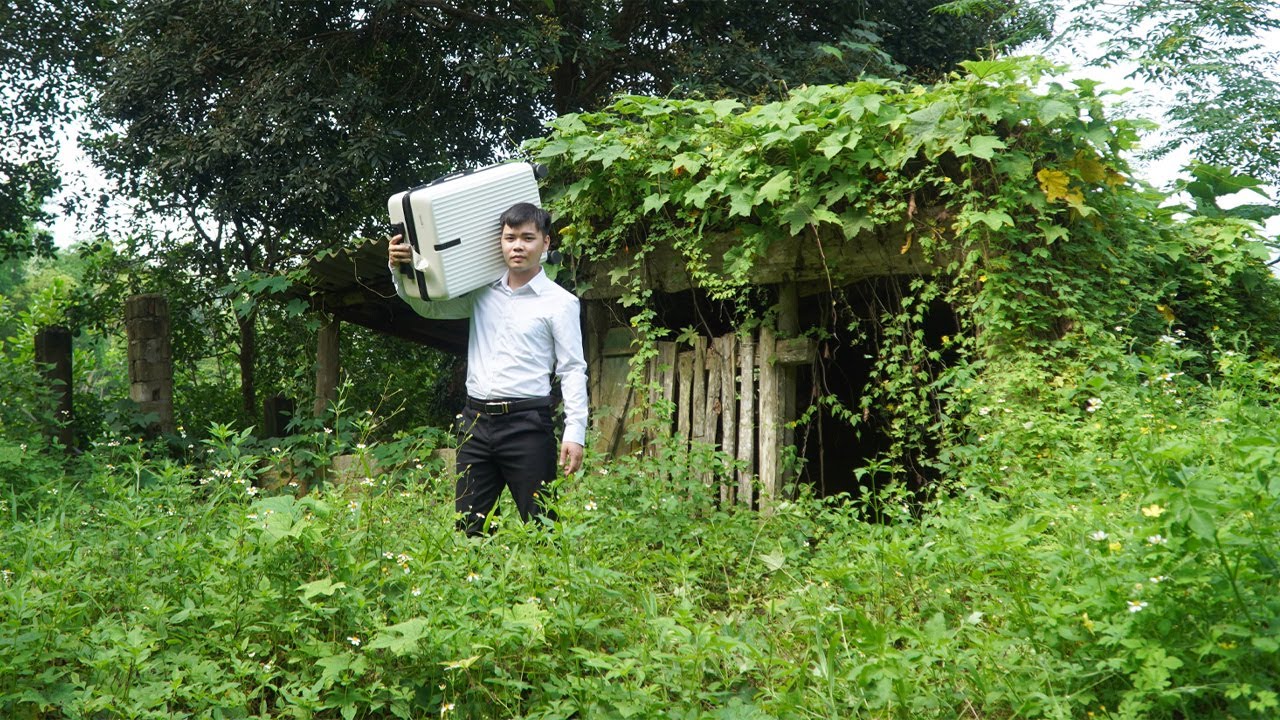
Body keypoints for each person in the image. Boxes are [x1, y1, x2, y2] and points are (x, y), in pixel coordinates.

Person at [388, 202, 587, 535]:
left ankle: (548, 586)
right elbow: (428, 307)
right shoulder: (480, 292)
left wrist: (575, 432)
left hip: (527, 425)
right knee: (469, 528)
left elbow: (572, 369)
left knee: (542, 526)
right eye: (510, 238)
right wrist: (399, 269)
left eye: (527, 238)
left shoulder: (560, 303)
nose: (518, 246)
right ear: (501, 242)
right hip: (475, 424)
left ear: (546, 242)